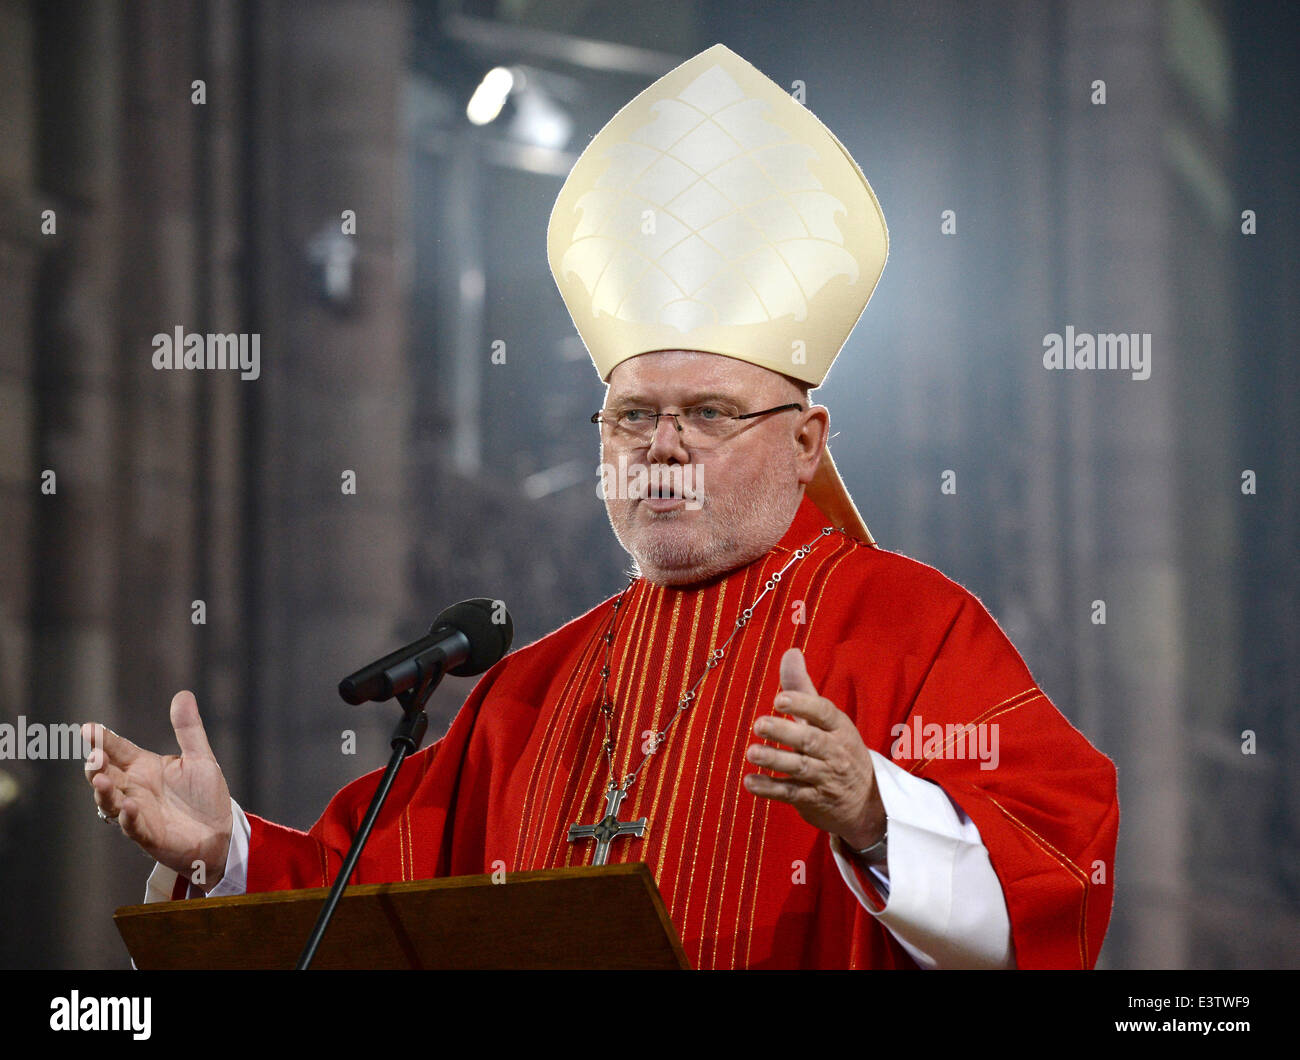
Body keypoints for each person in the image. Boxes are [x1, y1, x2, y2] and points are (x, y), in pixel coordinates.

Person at [83, 44, 1118, 969]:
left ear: (806, 443)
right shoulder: (528, 690)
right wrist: (226, 850)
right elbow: (365, 902)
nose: (661, 445)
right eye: (631, 417)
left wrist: (873, 812)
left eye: (708, 412)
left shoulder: (908, 628)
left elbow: (1055, 879)